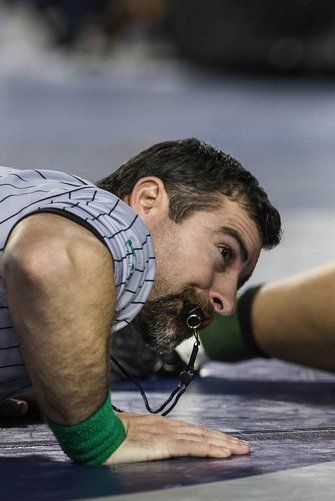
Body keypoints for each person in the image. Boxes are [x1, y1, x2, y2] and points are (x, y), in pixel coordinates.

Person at [0, 138, 281, 464]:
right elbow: (52, 259)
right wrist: (98, 433)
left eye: (239, 281)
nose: (227, 302)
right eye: (224, 252)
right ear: (148, 200)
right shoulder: (115, 220)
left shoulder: (48, 199)